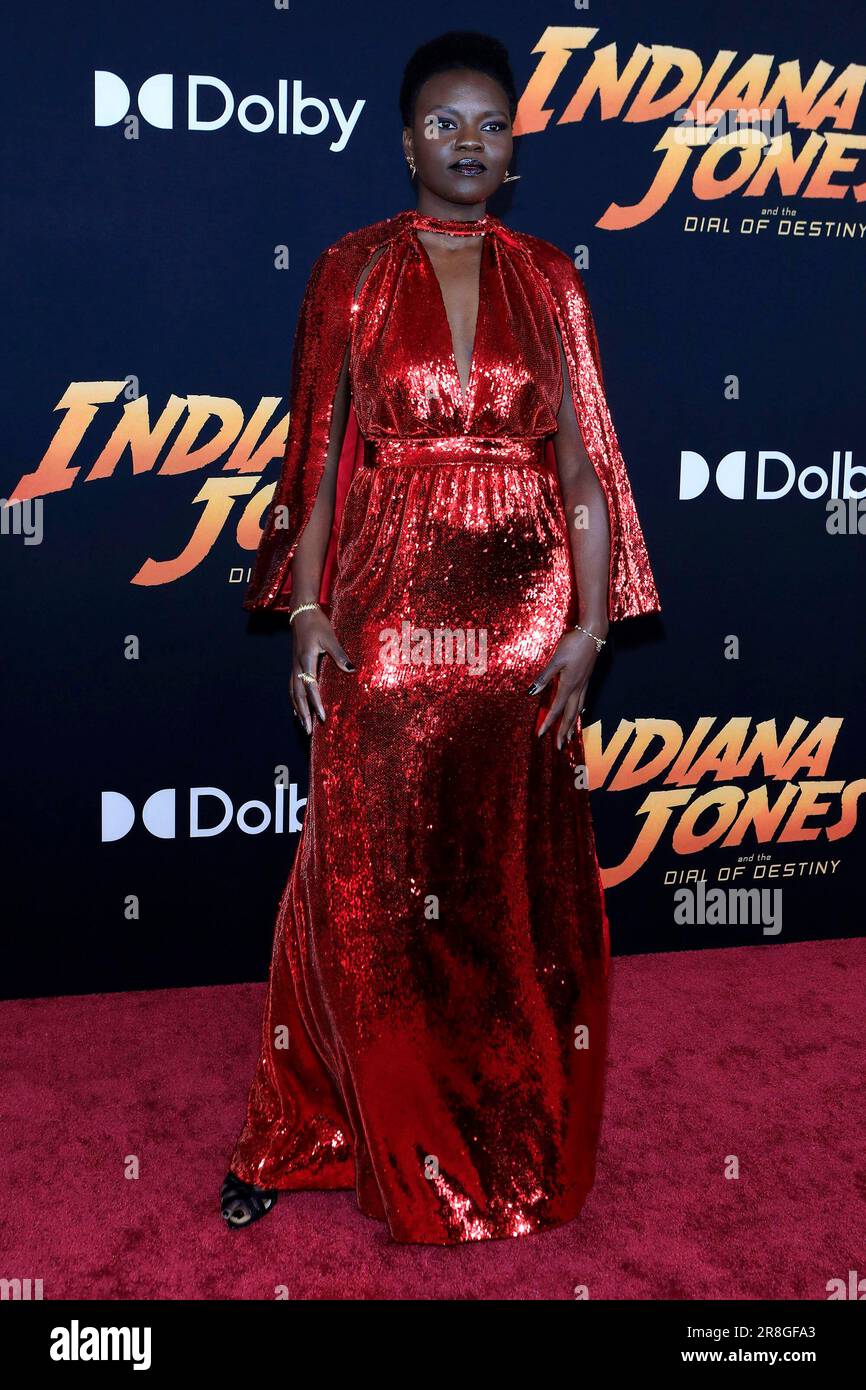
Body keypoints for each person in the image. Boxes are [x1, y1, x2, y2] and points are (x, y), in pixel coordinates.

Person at [221, 29, 660, 1245]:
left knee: (498, 889)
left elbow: (580, 468)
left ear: (515, 149)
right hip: (387, 618)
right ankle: (311, 1121)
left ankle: (503, 1129)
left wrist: (585, 627)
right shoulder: (350, 272)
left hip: (522, 628)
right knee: (355, 890)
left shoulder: (550, 281)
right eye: (445, 123)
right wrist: (307, 610)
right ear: (406, 139)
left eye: (492, 125)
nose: (469, 143)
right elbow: (315, 464)